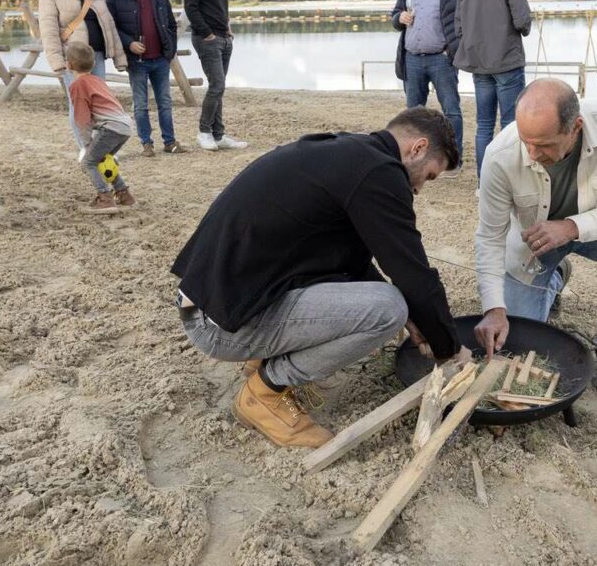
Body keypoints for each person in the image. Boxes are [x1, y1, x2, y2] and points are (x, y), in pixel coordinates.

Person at [172, 107, 465, 447]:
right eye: (428, 176)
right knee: (389, 310)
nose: (419, 189)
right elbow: (413, 272)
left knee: (385, 301)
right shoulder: (380, 173)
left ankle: (261, 358)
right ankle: (265, 392)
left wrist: (419, 319)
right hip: (219, 326)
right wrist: (449, 349)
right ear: (418, 148)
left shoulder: (350, 154)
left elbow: (355, 262)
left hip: (210, 300)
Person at [472, 79, 597, 394]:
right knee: (522, 341)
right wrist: (494, 308)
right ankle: (554, 277)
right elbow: (490, 237)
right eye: (526, 141)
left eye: (543, 145)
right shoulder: (499, 155)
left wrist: (570, 227)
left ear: (575, 127)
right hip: (535, 241)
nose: (532, 153)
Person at [454, 0, 532, 175]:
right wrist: (525, 26)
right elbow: (522, 21)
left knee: (484, 126)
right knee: (511, 125)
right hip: (506, 61)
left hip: (479, 63)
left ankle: (484, 181)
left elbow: (458, 25)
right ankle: (510, 180)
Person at [391, 0, 465, 175]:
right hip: (412, 58)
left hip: (442, 59)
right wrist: (399, 17)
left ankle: (453, 162)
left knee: (451, 111)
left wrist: (452, 49)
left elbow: (464, 18)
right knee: (413, 114)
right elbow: (395, 14)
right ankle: (413, 160)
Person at [39, 0, 127, 148]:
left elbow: (109, 25)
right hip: (74, 59)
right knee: (78, 103)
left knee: (99, 102)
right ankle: (85, 148)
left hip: (97, 56)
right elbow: (48, 30)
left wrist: (120, 58)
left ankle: (99, 146)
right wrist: (57, 62)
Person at [106, 0, 186, 156]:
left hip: (161, 59)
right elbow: (111, 28)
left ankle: (169, 142)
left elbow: (170, 24)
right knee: (141, 105)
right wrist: (129, 43)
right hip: (137, 62)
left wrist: (170, 51)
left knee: (165, 102)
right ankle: (146, 144)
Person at [182, 0, 247, 152]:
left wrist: (227, 28)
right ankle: (204, 132)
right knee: (217, 85)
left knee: (219, 87)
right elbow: (191, 7)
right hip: (207, 39)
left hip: (224, 38)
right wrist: (207, 33)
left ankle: (218, 135)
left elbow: (222, 5)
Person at [65, 41, 136, 212]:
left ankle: (105, 198)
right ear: (93, 63)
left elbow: (82, 118)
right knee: (103, 159)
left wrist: (86, 144)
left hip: (111, 128)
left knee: (89, 162)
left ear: (69, 65)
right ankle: (124, 194)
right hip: (125, 126)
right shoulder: (97, 80)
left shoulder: (77, 85)